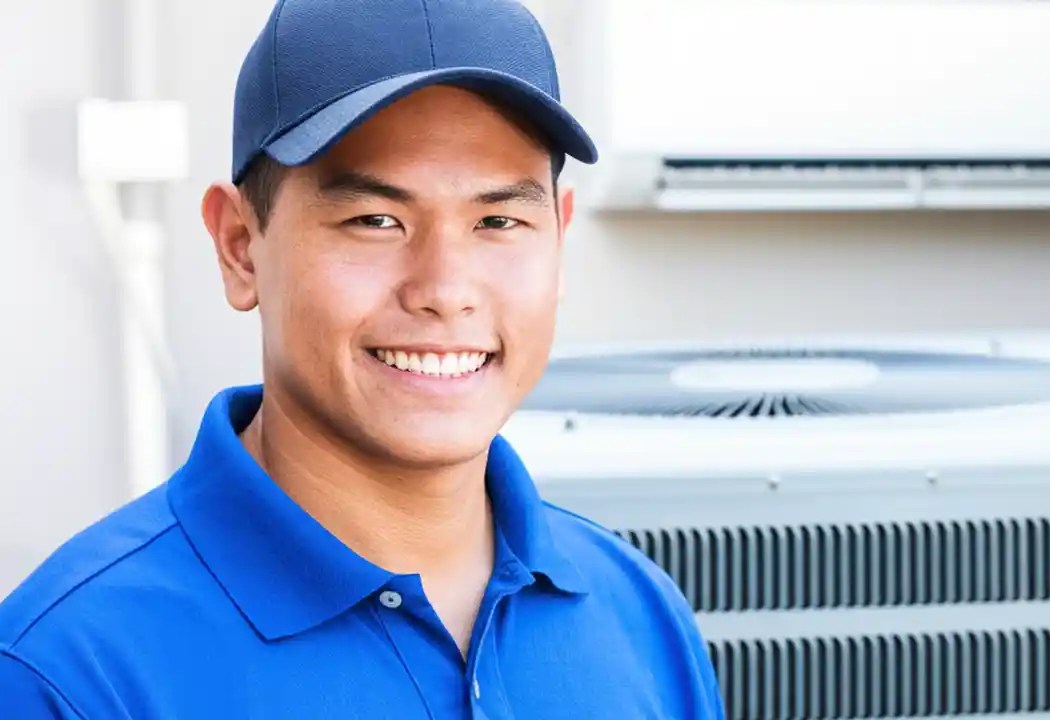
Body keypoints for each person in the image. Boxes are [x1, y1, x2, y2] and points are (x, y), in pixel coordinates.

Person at [0, 1, 724, 717]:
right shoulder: (69, 673)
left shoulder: (641, 614)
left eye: (498, 221)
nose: (445, 290)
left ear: (558, 242)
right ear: (240, 247)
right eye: (375, 220)